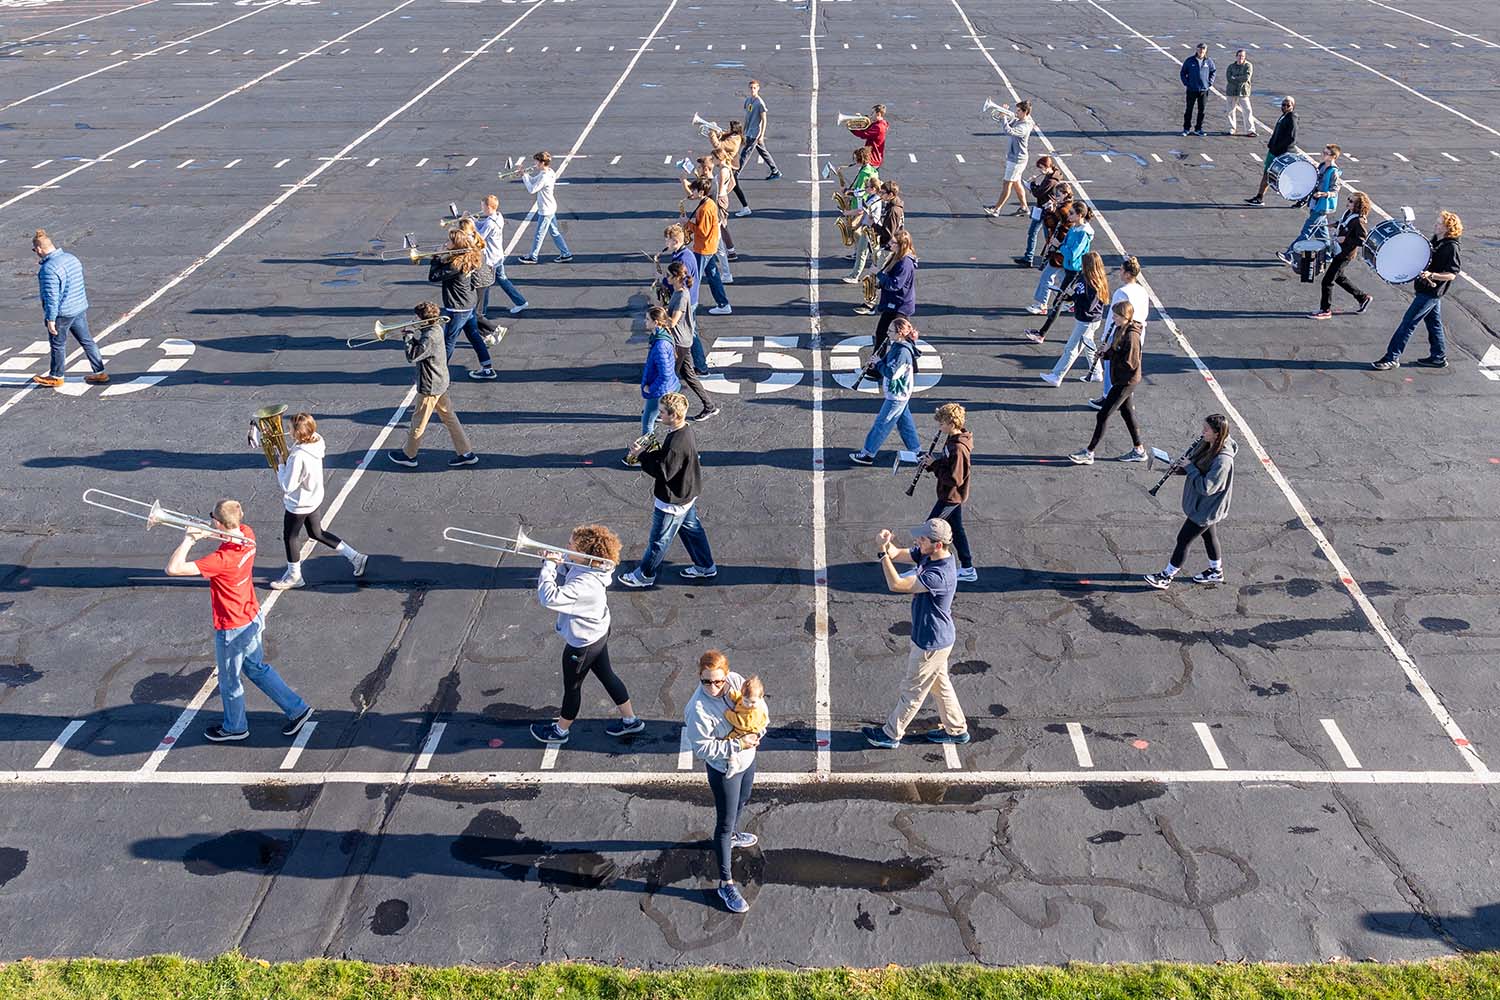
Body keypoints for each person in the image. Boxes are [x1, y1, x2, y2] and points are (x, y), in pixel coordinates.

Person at [164, 499, 313, 743]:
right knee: (256, 668)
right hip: (251, 613)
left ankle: (235, 727)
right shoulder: (247, 534)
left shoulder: (221, 560)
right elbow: (228, 535)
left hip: (232, 625)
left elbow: (173, 568)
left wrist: (190, 539)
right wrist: (210, 532)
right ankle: (297, 709)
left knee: (229, 680)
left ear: (218, 523)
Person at [528, 524, 645, 745]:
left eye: (570, 545)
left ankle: (560, 732)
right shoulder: (594, 566)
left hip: (583, 643)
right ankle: (630, 720)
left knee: (572, 687)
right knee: (607, 675)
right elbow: (570, 567)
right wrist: (553, 560)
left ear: (585, 553)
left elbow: (549, 597)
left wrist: (549, 567)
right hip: (597, 633)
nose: (566, 547)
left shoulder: (586, 584)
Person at [861, 518, 967, 749]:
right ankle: (957, 730)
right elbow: (898, 554)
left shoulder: (939, 575)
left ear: (937, 545)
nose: (918, 541)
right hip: (934, 639)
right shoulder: (930, 553)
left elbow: (897, 584)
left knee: (912, 691)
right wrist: (887, 544)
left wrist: (882, 554)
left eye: (923, 538)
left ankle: (890, 734)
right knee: (940, 685)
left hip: (931, 642)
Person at [249, 412, 367, 590]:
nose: (286, 431)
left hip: (299, 503)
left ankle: (295, 576)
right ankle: (355, 557)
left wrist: (281, 464)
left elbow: (287, 485)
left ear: (297, 433)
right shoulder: (317, 440)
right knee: (316, 533)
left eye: (289, 429)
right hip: (313, 497)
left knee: (290, 537)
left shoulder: (298, 457)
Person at [686, 649, 761, 914]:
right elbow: (704, 749)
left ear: (727, 675)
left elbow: (758, 705)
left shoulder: (737, 682)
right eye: (707, 681)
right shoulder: (697, 709)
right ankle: (725, 883)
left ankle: (732, 836)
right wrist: (738, 744)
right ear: (700, 677)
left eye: (718, 681)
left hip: (747, 761)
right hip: (725, 770)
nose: (713, 687)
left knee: (743, 799)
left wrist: (759, 726)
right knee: (724, 822)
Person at [618, 392, 717, 588]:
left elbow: (663, 471)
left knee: (659, 541)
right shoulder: (685, 432)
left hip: (672, 502)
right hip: (686, 495)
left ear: (674, 415)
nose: (659, 415)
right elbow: (671, 463)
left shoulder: (675, 445)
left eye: (662, 412)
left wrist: (641, 455)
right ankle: (705, 566)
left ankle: (645, 575)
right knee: (693, 531)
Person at [1145, 414, 1236, 589]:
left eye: (1206, 430)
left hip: (1206, 507)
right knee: (1210, 536)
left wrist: (1189, 467)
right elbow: (1194, 464)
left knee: (1183, 540)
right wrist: (1179, 467)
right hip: (1205, 505)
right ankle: (1216, 571)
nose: (1202, 432)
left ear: (1217, 433)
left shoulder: (1223, 460)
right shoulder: (1207, 443)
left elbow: (1207, 487)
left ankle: (1166, 576)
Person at [388, 302, 477, 468]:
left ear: (424, 319)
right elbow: (422, 351)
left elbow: (413, 356)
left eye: (417, 317)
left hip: (430, 386)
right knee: (449, 417)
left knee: (418, 421)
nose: (414, 319)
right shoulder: (435, 329)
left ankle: (409, 455)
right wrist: (414, 335)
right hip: (440, 382)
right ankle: (466, 452)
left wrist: (408, 336)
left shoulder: (429, 336)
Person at [1374, 211, 1462, 371]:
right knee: (1434, 324)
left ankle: (1391, 357)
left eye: (1439, 223)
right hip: (1425, 289)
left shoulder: (1451, 247)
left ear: (1448, 227)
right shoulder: (1437, 239)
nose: (1436, 225)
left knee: (1408, 323)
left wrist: (1432, 275)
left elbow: (1452, 274)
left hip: (1430, 293)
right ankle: (1438, 357)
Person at [1071, 300, 1145, 464]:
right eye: (1114, 315)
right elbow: (1115, 351)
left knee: (1103, 415)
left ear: (1126, 317)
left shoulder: (1132, 336)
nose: (1114, 318)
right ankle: (1139, 450)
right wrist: (1105, 354)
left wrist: (1111, 352)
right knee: (1127, 413)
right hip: (1120, 378)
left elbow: (1130, 363)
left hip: (1125, 381)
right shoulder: (1121, 328)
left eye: (1117, 316)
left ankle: (1089, 452)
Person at [31, 229, 107, 388]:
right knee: (87, 341)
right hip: (79, 307)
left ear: (39, 249)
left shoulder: (48, 269)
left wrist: (51, 319)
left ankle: (56, 376)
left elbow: (52, 297)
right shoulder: (72, 258)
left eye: (34, 250)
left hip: (63, 313)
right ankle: (100, 372)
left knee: (58, 344)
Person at [427, 228, 496, 381]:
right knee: (474, 336)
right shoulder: (465, 258)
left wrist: (436, 258)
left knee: (448, 341)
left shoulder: (455, 265)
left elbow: (433, 276)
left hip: (457, 307)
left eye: (450, 241)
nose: (446, 243)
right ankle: (487, 367)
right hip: (468, 304)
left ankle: (438, 374)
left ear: (456, 244)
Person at [849, 318, 921, 465]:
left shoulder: (902, 352)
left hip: (897, 395)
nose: (887, 333)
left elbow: (892, 373)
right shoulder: (898, 345)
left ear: (900, 333)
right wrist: (875, 364)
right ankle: (917, 451)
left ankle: (868, 454)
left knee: (882, 424)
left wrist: (878, 363)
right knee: (904, 423)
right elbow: (887, 362)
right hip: (900, 394)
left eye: (890, 331)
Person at [919, 403, 976, 583]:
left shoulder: (958, 448)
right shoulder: (952, 439)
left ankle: (920, 565)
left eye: (942, 424)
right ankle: (967, 567)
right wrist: (933, 464)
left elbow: (954, 479)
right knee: (957, 531)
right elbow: (947, 464)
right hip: (950, 496)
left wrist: (934, 466)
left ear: (952, 423)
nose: (939, 427)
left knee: (930, 529)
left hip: (950, 497)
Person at [1025, 203, 1094, 338]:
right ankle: (1082, 327)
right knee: (1074, 301)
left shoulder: (1083, 233)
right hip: (1068, 268)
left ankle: (1041, 334)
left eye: (1072, 213)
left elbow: (1073, 253)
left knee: (1058, 303)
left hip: (1075, 271)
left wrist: (1059, 246)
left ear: (1080, 215)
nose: (1069, 215)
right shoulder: (1074, 228)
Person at [1041, 251, 1109, 385]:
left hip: (1087, 320)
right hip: (1086, 319)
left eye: (1083, 263)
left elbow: (1090, 305)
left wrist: (1076, 301)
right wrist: (1069, 298)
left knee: (1071, 349)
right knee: (1088, 345)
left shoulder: (1094, 284)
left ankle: (1057, 375)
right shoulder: (1084, 277)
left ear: (1089, 266)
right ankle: (1096, 373)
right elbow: (1079, 295)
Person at [1089, 255, 1150, 398]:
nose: (1119, 272)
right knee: (1131, 368)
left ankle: (1107, 396)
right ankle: (1125, 398)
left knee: (1112, 365)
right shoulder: (1142, 290)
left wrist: (1106, 339)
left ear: (1128, 274)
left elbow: (1113, 317)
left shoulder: (1122, 292)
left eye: (1122, 270)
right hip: (1138, 332)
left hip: (1121, 332)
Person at [666, 262, 720, 421]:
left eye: (668, 275)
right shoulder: (678, 291)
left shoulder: (682, 296)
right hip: (684, 341)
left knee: (668, 377)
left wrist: (659, 316)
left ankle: (664, 411)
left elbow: (673, 322)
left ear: (676, 277)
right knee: (689, 376)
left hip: (680, 343)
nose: (666, 278)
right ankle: (709, 406)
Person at [1311, 191, 1373, 320]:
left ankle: (1325, 310)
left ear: (1358, 205)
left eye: (1351, 201)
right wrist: (1333, 225)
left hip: (1345, 254)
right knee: (1339, 278)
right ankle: (1362, 297)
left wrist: (1345, 240)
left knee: (1327, 281)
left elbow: (1362, 240)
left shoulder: (1359, 220)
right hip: (1339, 251)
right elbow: (1343, 223)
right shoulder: (1349, 214)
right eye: (1349, 199)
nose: (1348, 202)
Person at [1279, 144, 1342, 265]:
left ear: (1333, 157)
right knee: (1321, 232)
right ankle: (1329, 256)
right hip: (1315, 204)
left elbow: (1335, 190)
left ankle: (1290, 255)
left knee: (1306, 232)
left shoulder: (1333, 171)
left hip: (1322, 206)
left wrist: (1323, 194)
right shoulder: (1322, 166)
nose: (1323, 155)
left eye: (1326, 153)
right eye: (1323, 152)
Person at [859, 229, 917, 357]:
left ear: (902, 245)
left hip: (899, 305)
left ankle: (876, 367)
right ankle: (911, 363)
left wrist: (878, 274)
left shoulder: (904, 263)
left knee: (888, 334)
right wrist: (879, 284)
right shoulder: (897, 257)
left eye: (893, 242)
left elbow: (895, 284)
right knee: (895, 335)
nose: (889, 244)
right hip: (896, 303)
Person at [664, 223, 709, 375]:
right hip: (687, 299)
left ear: (676, 241)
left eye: (667, 240)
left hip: (686, 301)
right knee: (688, 332)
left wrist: (664, 282)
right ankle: (688, 363)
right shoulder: (682, 254)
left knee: (690, 333)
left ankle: (701, 367)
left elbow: (680, 283)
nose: (666, 243)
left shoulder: (684, 259)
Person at [474, 194, 528, 316]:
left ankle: (482, 312)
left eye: (483, 206)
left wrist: (470, 226)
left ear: (489, 207)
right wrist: (474, 221)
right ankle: (520, 301)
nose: (481, 209)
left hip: (491, 259)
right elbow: (482, 226)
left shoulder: (490, 223)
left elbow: (480, 238)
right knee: (502, 280)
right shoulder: (498, 217)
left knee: (485, 283)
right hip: (498, 255)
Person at [517, 151, 573, 264]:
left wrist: (524, 176)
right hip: (550, 207)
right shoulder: (548, 172)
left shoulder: (545, 176)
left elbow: (532, 189)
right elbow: (534, 181)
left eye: (536, 161)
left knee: (539, 234)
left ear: (542, 162)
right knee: (554, 232)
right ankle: (566, 253)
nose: (534, 164)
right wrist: (525, 174)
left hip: (546, 209)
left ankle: (533, 256)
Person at [688, 178, 732, 315]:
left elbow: (703, 232)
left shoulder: (705, 208)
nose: (691, 192)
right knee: (714, 277)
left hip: (703, 248)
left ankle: (690, 306)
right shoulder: (708, 203)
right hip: (709, 247)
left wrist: (687, 224)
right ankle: (723, 303)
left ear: (701, 192)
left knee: (694, 279)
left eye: (694, 190)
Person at [984, 100, 1034, 218]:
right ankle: (1024, 207)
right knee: (1016, 183)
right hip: (1016, 158)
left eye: (1018, 111)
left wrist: (1004, 117)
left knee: (1007, 183)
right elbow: (1010, 123)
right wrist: (1003, 113)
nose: (1015, 113)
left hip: (1017, 160)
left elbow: (1009, 131)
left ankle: (996, 209)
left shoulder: (1025, 126)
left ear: (1025, 112)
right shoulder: (1020, 120)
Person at [639, 304, 680, 439]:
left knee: (647, 422)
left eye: (647, 319)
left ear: (656, 322)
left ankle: (647, 451)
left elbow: (665, 374)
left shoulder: (660, 346)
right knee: (674, 422)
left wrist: (651, 388)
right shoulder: (662, 336)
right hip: (669, 387)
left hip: (659, 392)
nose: (645, 322)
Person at [1246, 97, 1297, 205]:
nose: (1285, 107)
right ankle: (1259, 197)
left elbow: (1291, 138)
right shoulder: (1284, 116)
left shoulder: (1291, 118)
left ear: (1293, 106)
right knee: (1267, 174)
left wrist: (1279, 149)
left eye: (1288, 105)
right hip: (1274, 151)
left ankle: (1301, 197)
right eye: (1283, 105)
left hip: (1280, 153)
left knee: (1285, 176)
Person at [1016, 156, 1063, 267]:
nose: (1040, 170)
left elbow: (1039, 193)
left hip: (1046, 212)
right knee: (1034, 233)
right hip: (1042, 209)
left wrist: (1032, 184)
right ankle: (1030, 257)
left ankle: (1047, 260)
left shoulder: (1051, 181)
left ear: (1048, 167)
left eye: (1041, 168)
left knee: (1048, 237)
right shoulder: (1052, 175)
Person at [741, 79, 781, 181]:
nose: (752, 90)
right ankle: (775, 171)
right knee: (763, 152)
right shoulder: (748, 101)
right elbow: (746, 118)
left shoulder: (760, 103)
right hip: (749, 131)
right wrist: (743, 131)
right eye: (751, 88)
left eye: (754, 88)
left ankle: (736, 173)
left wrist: (761, 135)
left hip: (755, 133)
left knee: (745, 153)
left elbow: (764, 120)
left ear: (758, 88)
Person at [1180, 43, 1216, 136]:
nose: (1201, 51)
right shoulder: (1190, 60)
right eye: (1200, 50)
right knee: (1189, 109)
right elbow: (1183, 73)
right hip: (1192, 89)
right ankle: (1186, 128)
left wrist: (1209, 83)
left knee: (1202, 110)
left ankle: (1198, 129)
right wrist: (1187, 83)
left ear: (1205, 51)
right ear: (1197, 50)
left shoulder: (1208, 61)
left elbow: (1213, 72)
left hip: (1204, 90)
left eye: (1203, 50)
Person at [723, 675, 768, 740]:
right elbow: (739, 697)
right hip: (745, 725)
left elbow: (741, 723)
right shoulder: (745, 698)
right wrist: (733, 695)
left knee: (731, 738)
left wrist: (728, 714)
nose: (749, 705)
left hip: (745, 731)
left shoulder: (752, 713)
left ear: (761, 698)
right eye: (746, 701)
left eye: (753, 702)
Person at [1225, 50, 1254, 136]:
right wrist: (1237, 78)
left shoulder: (1248, 66)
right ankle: (1232, 128)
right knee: (1230, 111)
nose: (1241, 57)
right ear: (1236, 56)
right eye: (1239, 56)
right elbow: (1229, 78)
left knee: (1247, 110)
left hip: (1243, 91)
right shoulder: (1231, 66)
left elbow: (1246, 77)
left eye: (1242, 56)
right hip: (1231, 91)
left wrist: (1235, 78)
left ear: (1245, 57)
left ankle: (1250, 130)